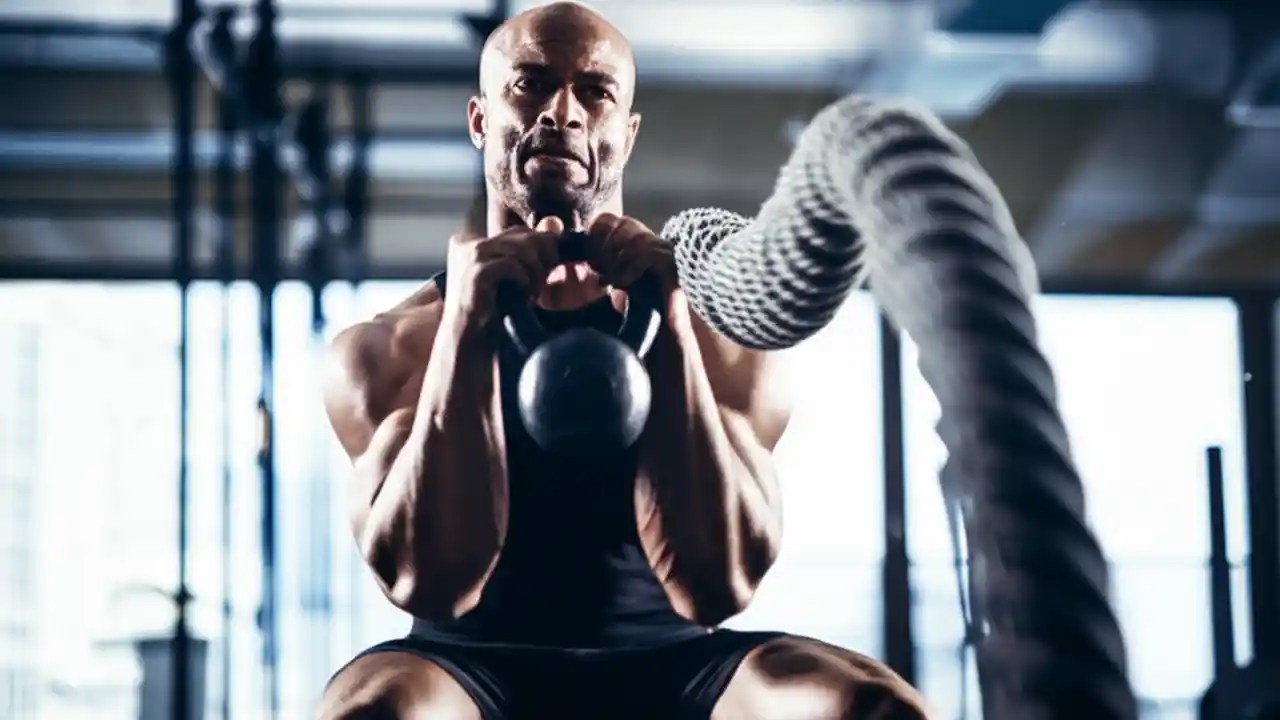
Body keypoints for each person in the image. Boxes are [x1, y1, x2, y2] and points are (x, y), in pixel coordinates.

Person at [318, 2, 930, 718]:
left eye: (595, 92)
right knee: (368, 713)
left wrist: (666, 321)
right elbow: (430, 583)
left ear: (626, 135)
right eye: (530, 84)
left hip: (679, 663)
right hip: (466, 665)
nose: (562, 113)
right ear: (481, 120)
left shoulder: (720, 340)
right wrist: (466, 327)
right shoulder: (387, 350)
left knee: (879, 707)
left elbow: (717, 585)